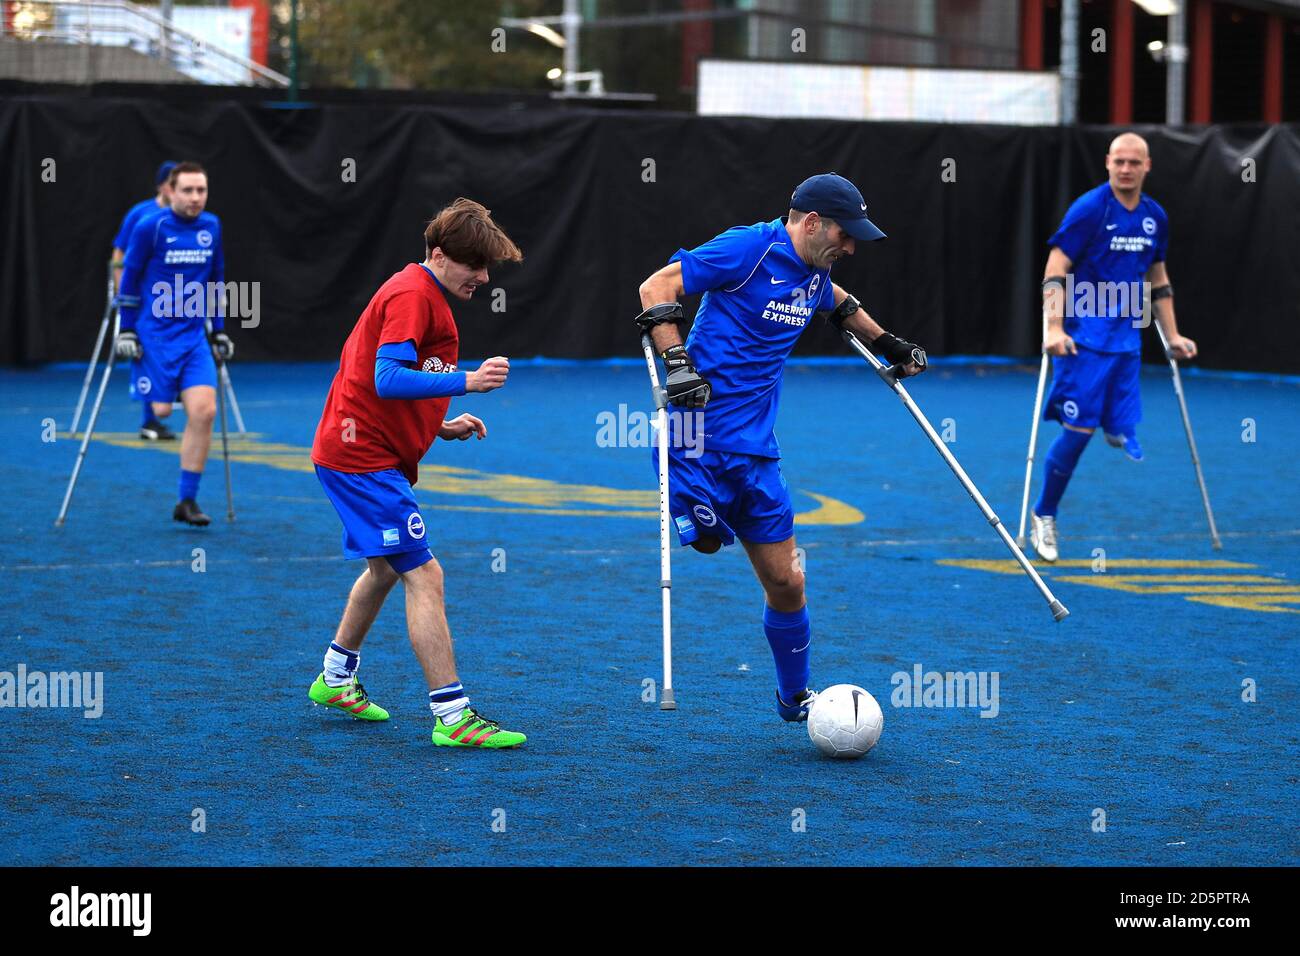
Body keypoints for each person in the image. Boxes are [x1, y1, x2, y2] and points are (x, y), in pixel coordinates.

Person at [635, 173, 926, 722]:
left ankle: (795, 699)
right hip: (692, 435)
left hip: (756, 450)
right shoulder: (750, 247)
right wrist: (678, 364)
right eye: (845, 234)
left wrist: (889, 342)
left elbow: (838, 302)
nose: (851, 247)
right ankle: (692, 511)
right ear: (811, 222)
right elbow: (657, 287)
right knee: (705, 539)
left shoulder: (816, 272)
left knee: (788, 580)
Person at [309, 198, 527, 749]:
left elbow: (392, 382)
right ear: (437, 253)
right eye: (473, 265)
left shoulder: (423, 293)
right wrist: (467, 381)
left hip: (356, 450)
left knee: (384, 571)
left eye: (486, 268)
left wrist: (439, 426)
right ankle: (453, 717)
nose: (482, 277)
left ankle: (335, 680)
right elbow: (387, 378)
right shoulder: (413, 295)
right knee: (424, 574)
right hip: (362, 460)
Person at [1030, 132, 1198, 563]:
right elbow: (1056, 265)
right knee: (1079, 432)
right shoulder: (1090, 209)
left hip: (1128, 337)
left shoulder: (1154, 217)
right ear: (1107, 162)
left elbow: (1157, 279)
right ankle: (1044, 515)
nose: (1126, 169)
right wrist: (1053, 327)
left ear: (1147, 166)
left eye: (1134, 163)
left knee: (1117, 422)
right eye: (1119, 161)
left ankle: (1114, 421)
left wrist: (1174, 336)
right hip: (1083, 337)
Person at [116, 161, 233, 526]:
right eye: (188, 190)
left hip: (194, 335)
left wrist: (219, 329)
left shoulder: (211, 226)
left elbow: (216, 278)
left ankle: (187, 500)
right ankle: (157, 410)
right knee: (163, 412)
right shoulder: (150, 225)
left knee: (204, 411)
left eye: (202, 190)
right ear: (171, 190)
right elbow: (130, 276)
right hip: (154, 334)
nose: (196, 198)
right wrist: (127, 329)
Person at [110, 160, 177, 440]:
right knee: (145, 349)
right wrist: (122, 297)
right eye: (174, 184)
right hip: (144, 299)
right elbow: (119, 256)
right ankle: (149, 420)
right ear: (163, 186)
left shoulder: (191, 221)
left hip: (178, 302)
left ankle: (170, 406)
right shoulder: (141, 214)